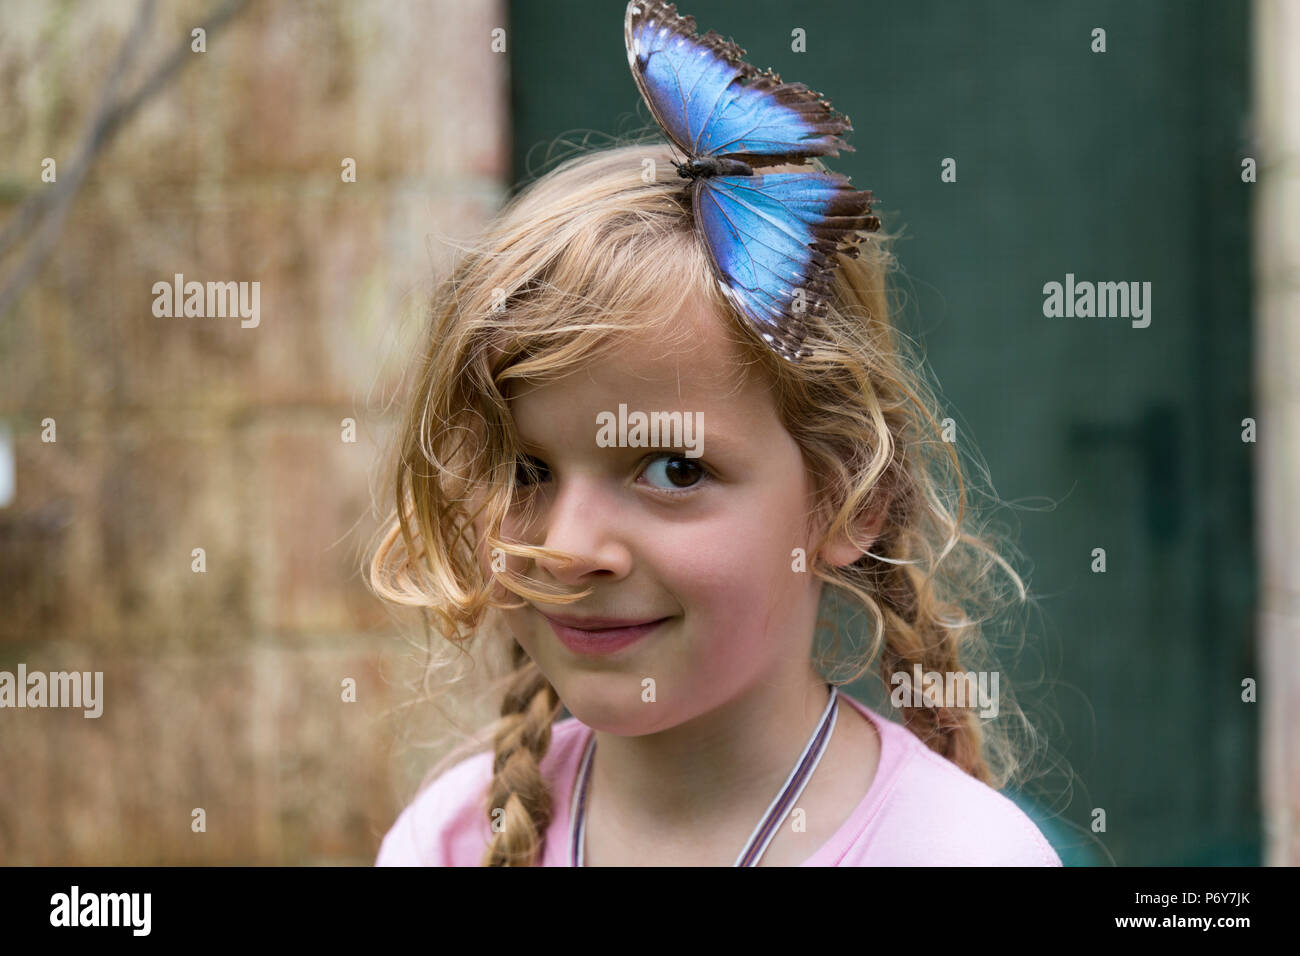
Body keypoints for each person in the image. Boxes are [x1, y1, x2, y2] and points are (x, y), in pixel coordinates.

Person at [367, 141, 1062, 866]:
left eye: (673, 470)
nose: (569, 549)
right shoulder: (444, 842)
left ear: (850, 499)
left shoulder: (962, 855)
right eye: (525, 470)